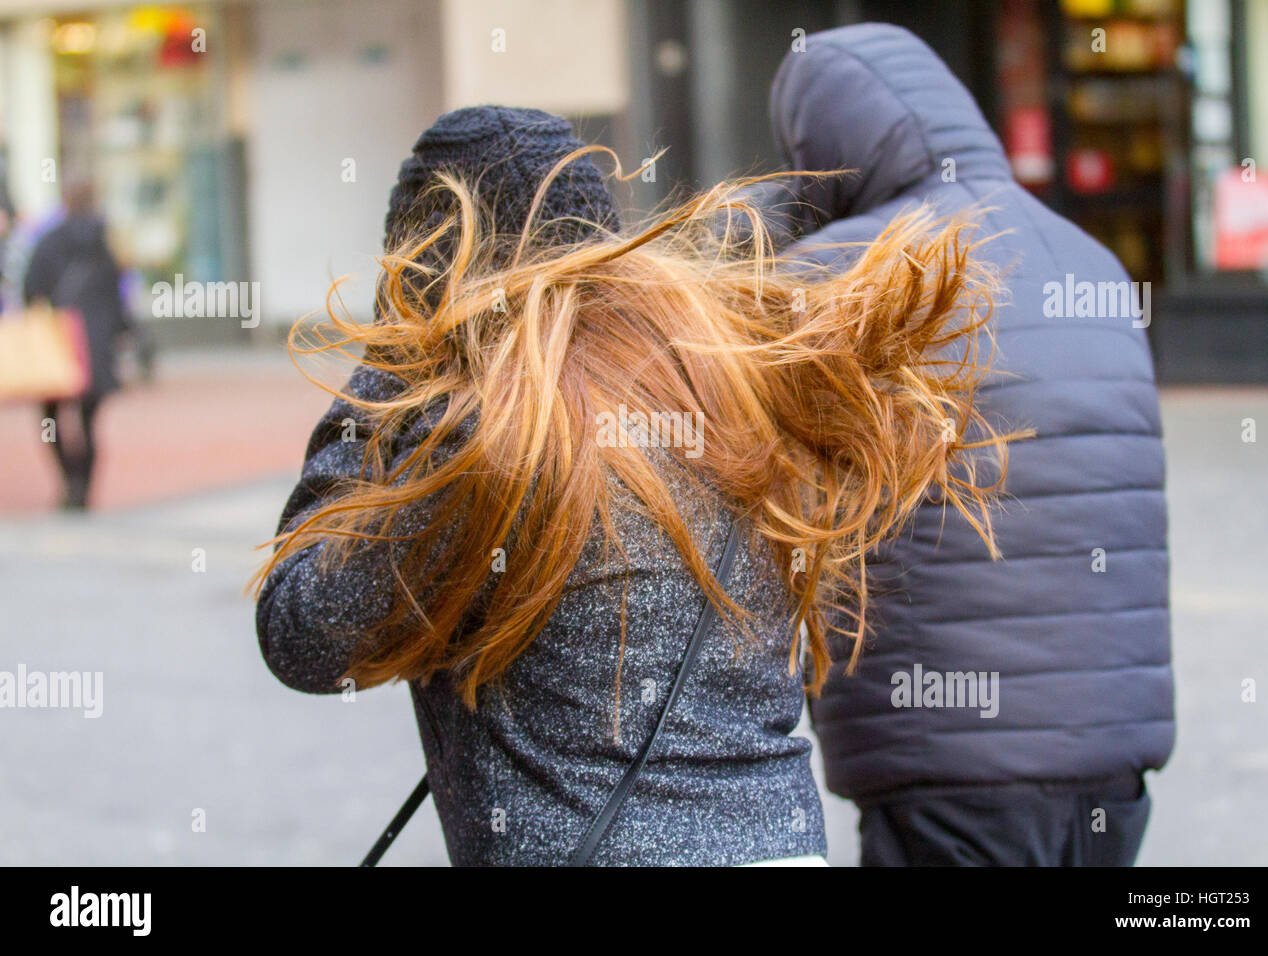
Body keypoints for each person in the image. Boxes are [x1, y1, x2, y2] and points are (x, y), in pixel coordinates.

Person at [253, 106, 1013, 865]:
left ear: (436, 271)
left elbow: (305, 634)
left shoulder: (487, 432)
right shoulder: (720, 387)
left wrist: (391, 371)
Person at [764, 24, 1174, 866]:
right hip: (1111, 759)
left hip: (948, 761)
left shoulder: (851, 270)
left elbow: (695, 355)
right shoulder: (1091, 261)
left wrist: (767, 229)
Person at [23, 180, 132, 510]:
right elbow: (119, 295)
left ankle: (69, 480)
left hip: (58, 342)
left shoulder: (49, 241)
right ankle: (84, 485)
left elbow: (31, 290)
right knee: (88, 421)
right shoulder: (107, 241)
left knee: (49, 417)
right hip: (95, 346)